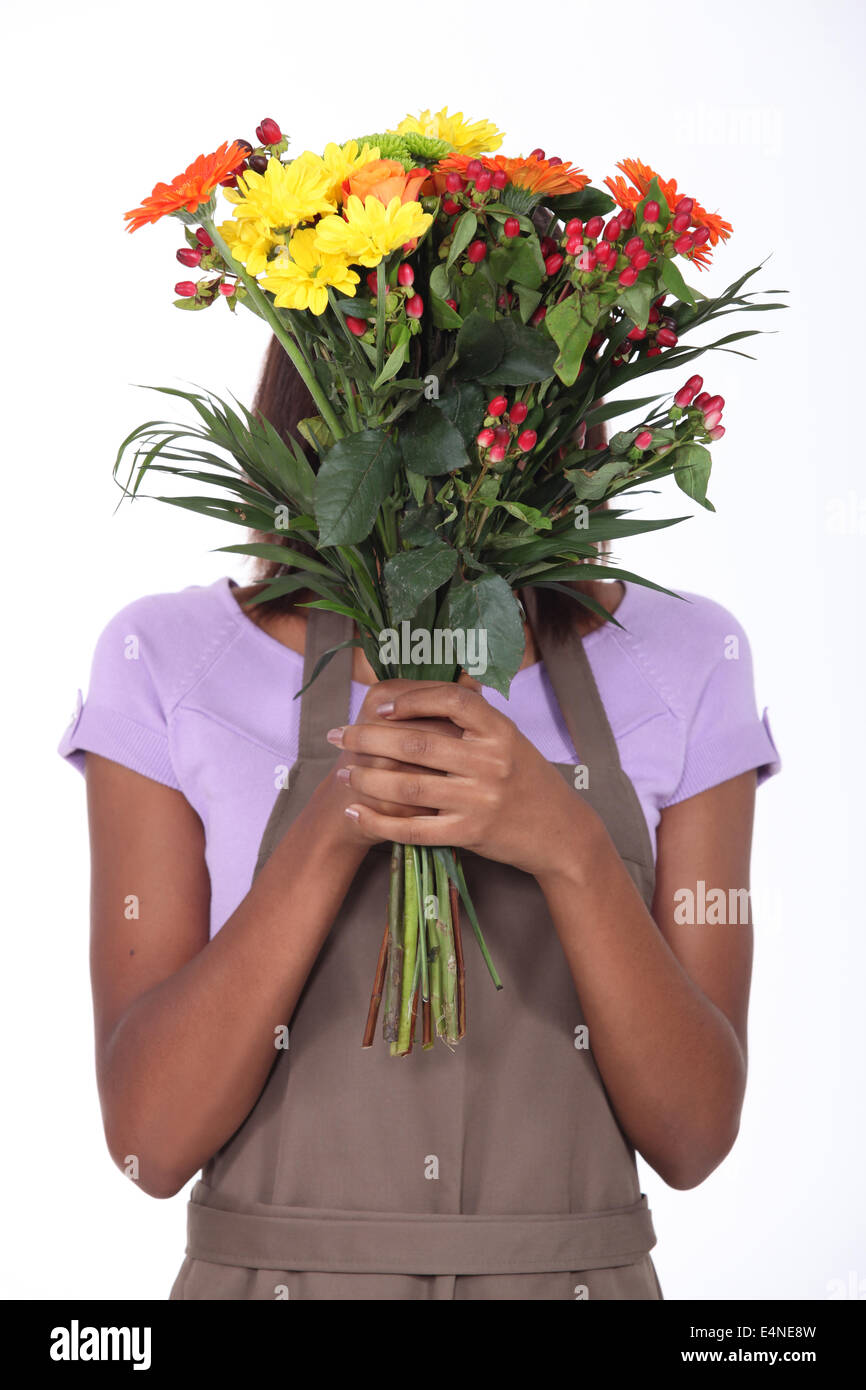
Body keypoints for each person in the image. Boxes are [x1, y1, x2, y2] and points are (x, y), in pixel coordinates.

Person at [58, 343, 781, 1301]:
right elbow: (149, 1143)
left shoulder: (687, 658)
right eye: (393, 312)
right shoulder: (169, 657)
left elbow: (693, 1139)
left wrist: (569, 846)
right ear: (315, 354)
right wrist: (341, 818)